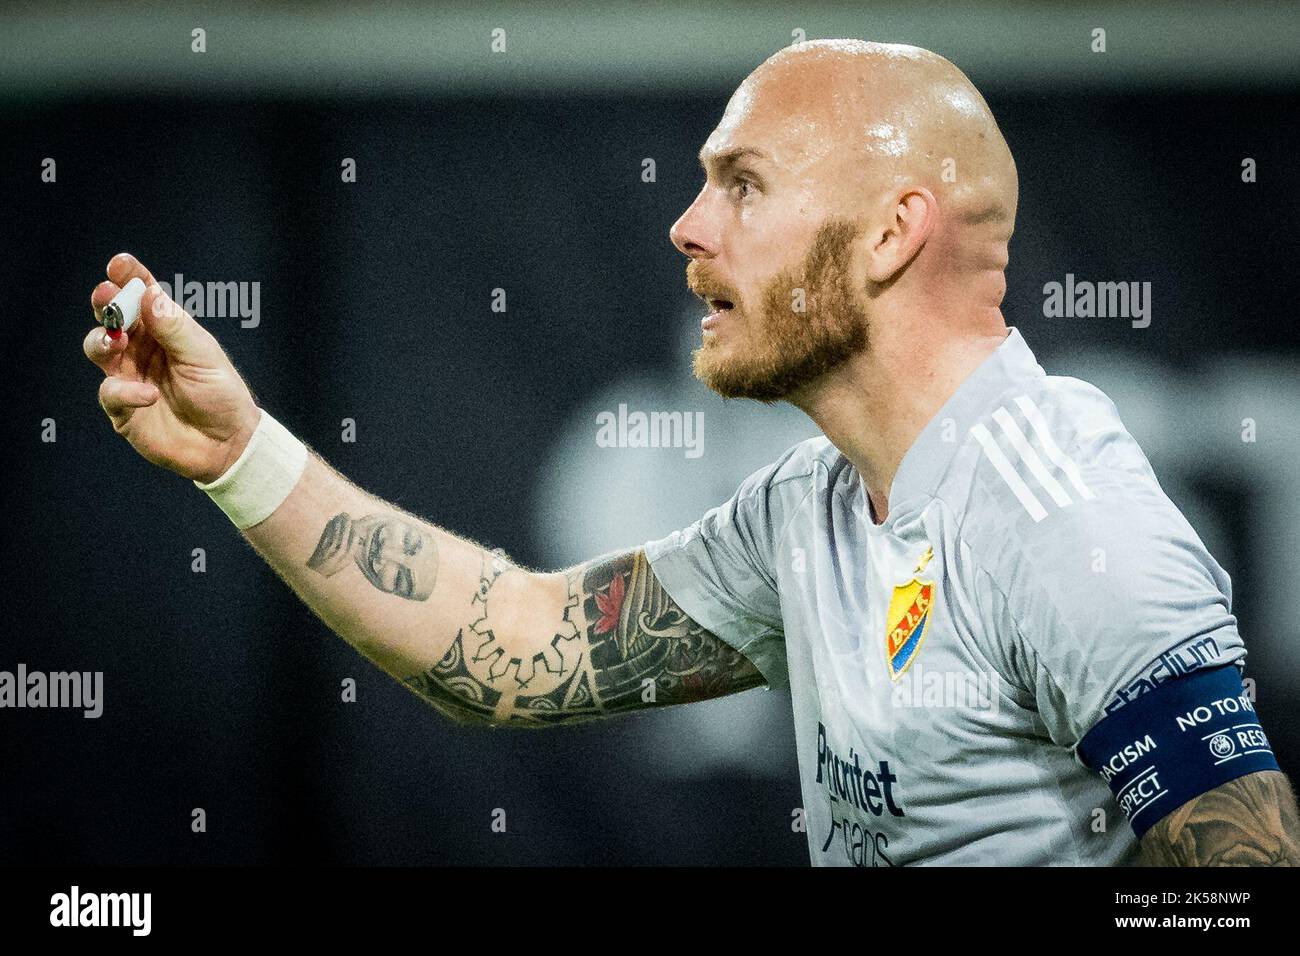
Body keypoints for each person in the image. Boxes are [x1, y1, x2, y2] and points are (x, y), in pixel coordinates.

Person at [85, 39, 1298, 866]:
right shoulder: (808, 507)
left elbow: (1244, 864)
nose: (688, 225)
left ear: (887, 235)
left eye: (744, 186)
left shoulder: (1060, 506)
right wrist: (239, 454)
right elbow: (512, 646)